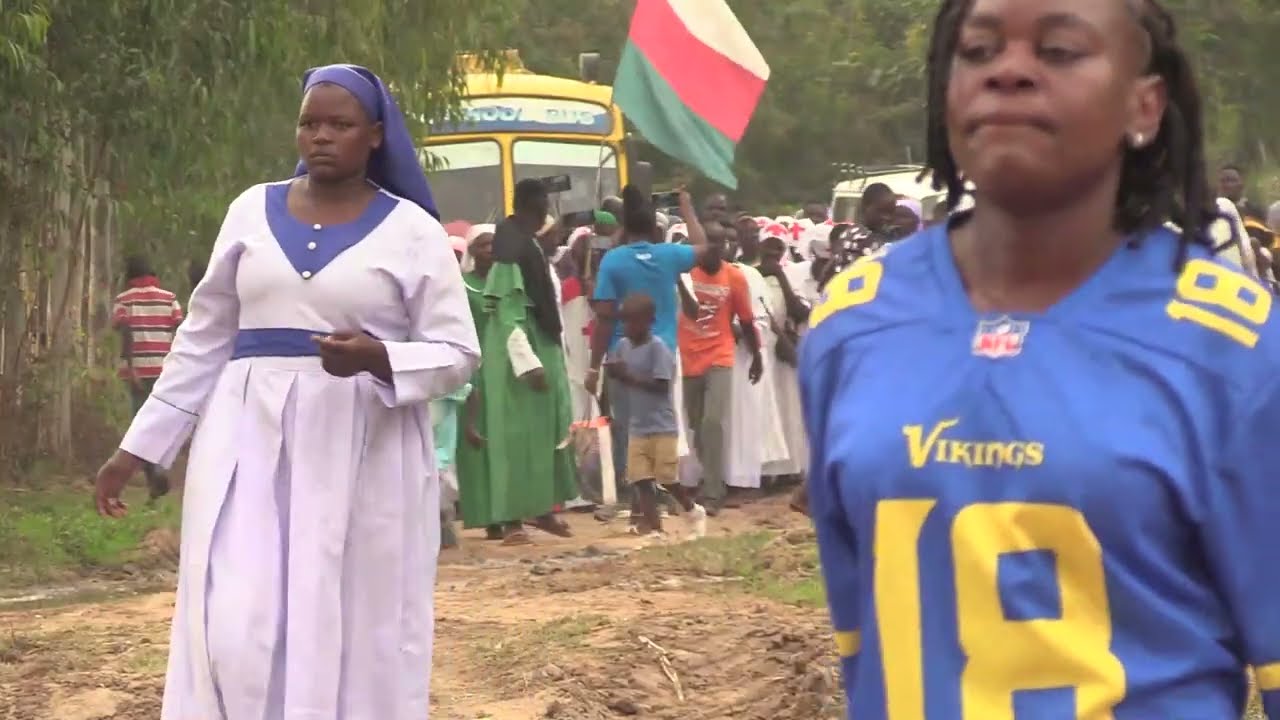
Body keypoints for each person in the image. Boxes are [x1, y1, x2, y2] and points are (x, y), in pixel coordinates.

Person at [802, 1, 1280, 718]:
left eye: (1058, 51)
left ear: (1143, 105)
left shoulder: (1232, 352)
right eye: (979, 50)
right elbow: (860, 640)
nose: (1010, 72)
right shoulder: (851, 326)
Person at [93, 63, 479, 718]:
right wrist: (139, 448)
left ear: (376, 136)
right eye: (309, 122)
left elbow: (457, 354)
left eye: (340, 124)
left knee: (351, 612)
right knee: (236, 614)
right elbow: (204, 336)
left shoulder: (414, 231)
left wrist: (380, 359)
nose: (321, 136)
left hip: (362, 450)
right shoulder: (250, 209)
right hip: (246, 442)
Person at [587, 187, 709, 508]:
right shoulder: (669, 255)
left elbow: (603, 316)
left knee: (629, 429)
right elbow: (702, 246)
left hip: (621, 355)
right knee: (662, 424)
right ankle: (663, 494)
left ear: (624, 226)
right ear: (654, 228)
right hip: (664, 354)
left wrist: (593, 365)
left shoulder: (613, 260)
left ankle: (639, 500)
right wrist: (686, 208)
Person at [471, 179, 578, 544]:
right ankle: (513, 518)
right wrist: (527, 363)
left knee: (547, 431)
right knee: (514, 438)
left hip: (541, 344)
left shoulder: (526, 244)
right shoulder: (510, 248)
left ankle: (544, 509)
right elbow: (508, 312)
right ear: (537, 208)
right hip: (520, 356)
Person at [605, 292, 707, 538]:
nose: (628, 327)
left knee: (666, 478)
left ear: (649, 321)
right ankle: (654, 528)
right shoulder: (622, 346)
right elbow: (618, 375)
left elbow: (661, 386)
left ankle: (692, 510)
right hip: (637, 425)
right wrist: (614, 375)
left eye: (633, 322)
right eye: (625, 322)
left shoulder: (658, 349)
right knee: (640, 479)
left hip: (661, 425)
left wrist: (627, 376)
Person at [678, 221, 762, 514]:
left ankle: (714, 491)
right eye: (709, 242)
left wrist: (757, 357)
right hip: (689, 357)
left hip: (720, 356)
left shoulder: (734, 277)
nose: (715, 247)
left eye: (720, 242)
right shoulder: (686, 273)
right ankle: (710, 479)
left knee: (713, 421)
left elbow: (747, 320)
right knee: (696, 424)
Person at [113, 254, 183, 501]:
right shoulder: (169, 299)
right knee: (161, 421)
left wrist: (131, 367)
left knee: (140, 425)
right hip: (165, 370)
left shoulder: (124, 300)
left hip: (138, 371)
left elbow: (126, 333)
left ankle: (154, 475)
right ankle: (159, 472)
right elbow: (180, 330)